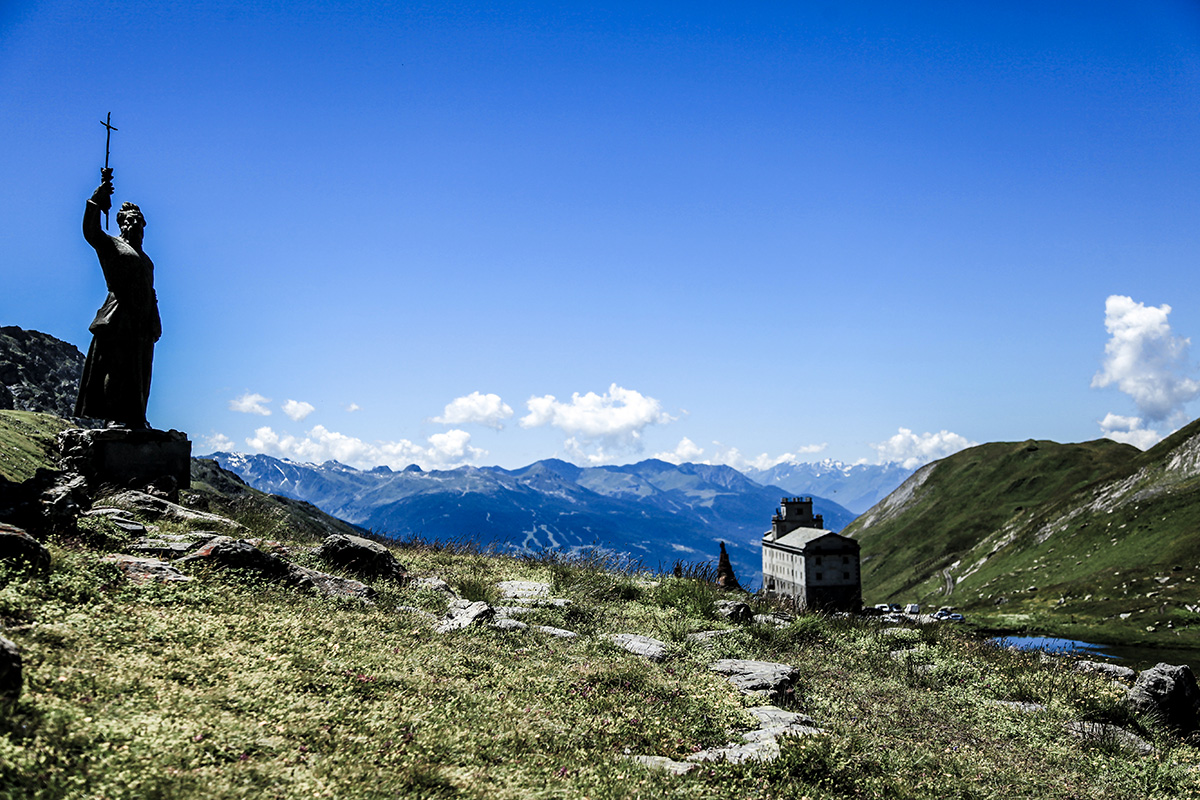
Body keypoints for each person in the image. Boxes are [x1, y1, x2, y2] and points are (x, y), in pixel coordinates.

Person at [74, 171, 161, 428]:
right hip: (120, 316)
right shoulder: (112, 246)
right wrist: (95, 202)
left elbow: (150, 291)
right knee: (118, 367)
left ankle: (136, 416)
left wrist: (155, 319)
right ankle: (115, 417)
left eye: (141, 222)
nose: (137, 226)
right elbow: (91, 232)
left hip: (143, 320)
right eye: (132, 221)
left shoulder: (146, 260)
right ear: (122, 223)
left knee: (140, 370)